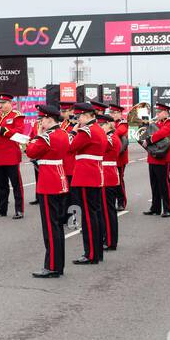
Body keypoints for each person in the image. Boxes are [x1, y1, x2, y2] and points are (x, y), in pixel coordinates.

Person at [26, 104, 71, 278]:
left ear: (49, 119)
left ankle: (52, 266)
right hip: (59, 180)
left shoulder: (46, 137)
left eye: (42, 119)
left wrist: (36, 136)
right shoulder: (63, 134)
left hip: (48, 182)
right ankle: (58, 265)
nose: (40, 122)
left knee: (50, 228)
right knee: (58, 226)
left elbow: (31, 151)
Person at [68, 102, 107, 265]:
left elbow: (71, 147)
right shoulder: (98, 129)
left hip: (86, 175)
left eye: (80, 116)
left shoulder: (86, 131)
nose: (79, 119)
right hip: (95, 173)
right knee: (95, 214)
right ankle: (97, 252)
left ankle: (90, 254)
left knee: (89, 217)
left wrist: (73, 131)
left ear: (87, 116)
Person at [0, 94, 26, 219]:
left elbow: (19, 133)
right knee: (1, 185)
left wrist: (2, 129)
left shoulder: (16, 116)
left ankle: (19, 210)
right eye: (0, 103)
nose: (1, 105)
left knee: (16, 184)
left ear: (10, 103)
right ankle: (1, 209)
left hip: (10, 154)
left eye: (4, 103)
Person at [95, 102, 122, 251]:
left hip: (108, 174)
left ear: (108, 125)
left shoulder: (111, 138)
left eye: (101, 125)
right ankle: (106, 237)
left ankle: (111, 241)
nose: (99, 128)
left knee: (107, 211)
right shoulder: (109, 136)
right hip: (105, 174)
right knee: (104, 210)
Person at [143, 103, 170, 218]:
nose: (157, 114)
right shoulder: (155, 123)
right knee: (154, 184)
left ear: (166, 112)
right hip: (153, 156)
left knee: (164, 184)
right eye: (157, 112)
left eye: (159, 112)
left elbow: (162, 133)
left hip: (165, 156)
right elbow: (148, 133)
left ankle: (167, 209)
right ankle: (155, 207)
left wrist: (150, 139)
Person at [109, 104, 130, 210]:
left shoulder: (123, 123)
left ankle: (121, 202)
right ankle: (112, 201)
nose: (112, 115)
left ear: (119, 113)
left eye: (114, 113)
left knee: (119, 180)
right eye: (111, 113)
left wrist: (108, 132)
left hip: (120, 158)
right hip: (111, 156)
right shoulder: (110, 122)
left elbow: (118, 132)